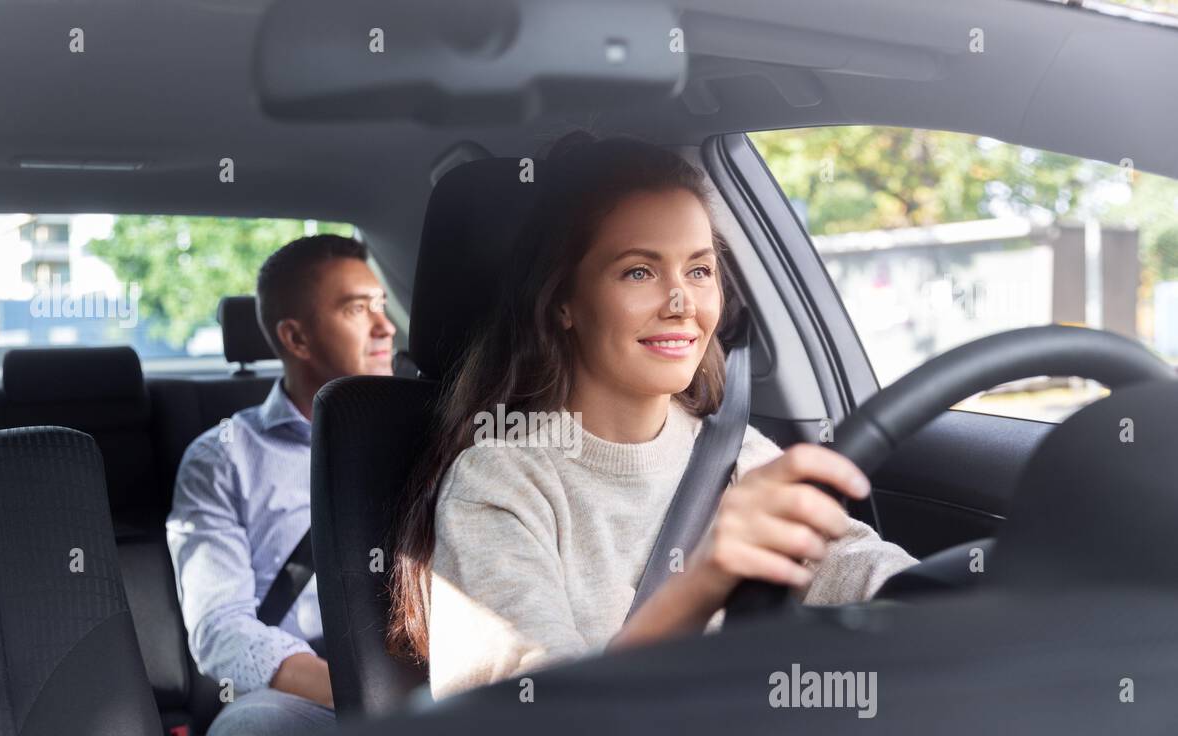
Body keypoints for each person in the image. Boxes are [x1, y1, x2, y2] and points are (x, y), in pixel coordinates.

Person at [387, 135, 918, 700]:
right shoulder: (500, 484)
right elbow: (533, 721)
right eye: (639, 272)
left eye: (699, 270)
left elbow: (859, 566)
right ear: (563, 301)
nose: (681, 301)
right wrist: (702, 582)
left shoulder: (738, 454)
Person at [168, 235, 395, 736]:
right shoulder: (222, 457)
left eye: (382, 306)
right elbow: (221, 628)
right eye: (357, 310)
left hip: (435, 672)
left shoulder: (434, 433)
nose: (385, 328)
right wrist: (364, 695)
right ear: (296, 338)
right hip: (303, 690)